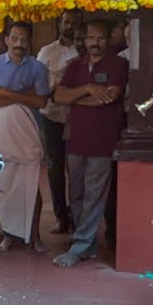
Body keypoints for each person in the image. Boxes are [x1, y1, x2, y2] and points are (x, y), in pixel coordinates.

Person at [52, 19, 129, 267]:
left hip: (103, 141)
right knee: (77, 194)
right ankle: (87, 244)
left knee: (95, 195)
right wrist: (87, 88)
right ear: (84, 41)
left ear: (109, 40)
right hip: (76, 140)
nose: (94, 43)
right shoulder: (76, 66)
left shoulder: (119, 64)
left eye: (100, 38)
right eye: (90, 38)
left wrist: (76, 99)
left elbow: (109, 98)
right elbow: (59, 96)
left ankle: (80, 246)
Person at [0, 21, 50, 253]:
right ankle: (8, 236)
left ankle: (34, 237)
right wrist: (24, 96)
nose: (19, 44)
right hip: (1, 131)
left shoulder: (37, 68)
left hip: (28, 132)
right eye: (14, 39)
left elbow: (41, 101)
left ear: (30, 42)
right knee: (4, 185)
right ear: (6, 40)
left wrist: (5, 93)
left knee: (30, 185)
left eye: (24, 40)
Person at [37, 10, 84, 235]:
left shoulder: (83, 52)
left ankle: (78, 218)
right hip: (52, 116)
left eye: (74, 23)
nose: (70, 26)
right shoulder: (46, 52)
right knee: (55, 169)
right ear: (59, 24)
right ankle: (61, 217)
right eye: (66, 22)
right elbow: (38, 83)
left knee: (76, 169)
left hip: (79, 117)